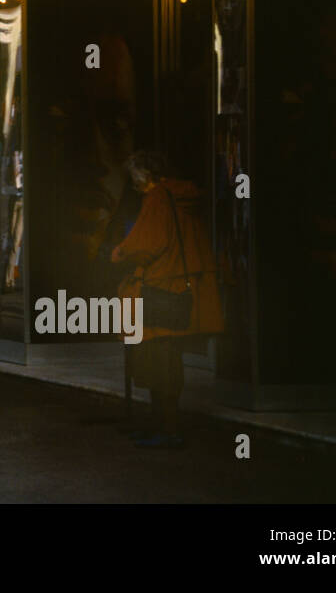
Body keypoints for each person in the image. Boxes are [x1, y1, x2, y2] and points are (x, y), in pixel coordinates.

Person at [111, 151, 223, 449]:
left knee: (158, 361)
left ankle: (164, 427)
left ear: (145, 174)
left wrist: (120, 251)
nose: (134, 186)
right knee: (168, 358)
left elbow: (148, 243)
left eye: (135, 178)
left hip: (158, 290)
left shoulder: (158, 197)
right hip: (177, 289)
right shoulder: (180, 196)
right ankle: (163, 425)